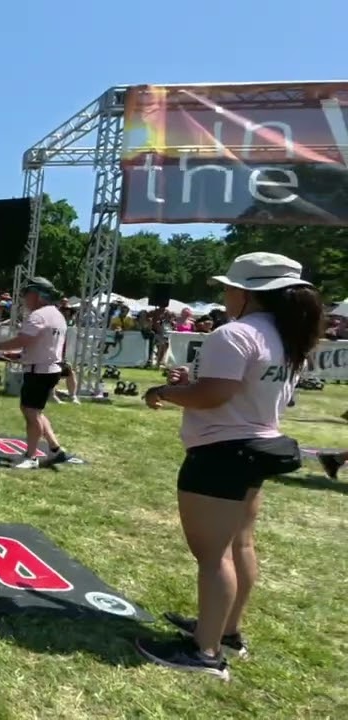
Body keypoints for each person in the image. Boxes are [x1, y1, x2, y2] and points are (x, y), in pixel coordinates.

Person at [136, 252, 322, 680]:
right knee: (240, 545)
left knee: (212, 555)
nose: (225, 292)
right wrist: (194, 387)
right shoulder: (288, 337)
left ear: (246, 292)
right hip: (258, 446)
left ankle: (205, 653)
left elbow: (214, 396)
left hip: (221, 452)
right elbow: (247, 391)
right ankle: (226, 632)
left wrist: (164, 391)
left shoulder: (235, 334)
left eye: (229, 286)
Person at [0, 277, 70, 469]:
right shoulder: (56, 315)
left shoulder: (38, 315)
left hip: (39, 370)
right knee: (35, 411)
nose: (24, 299)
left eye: (27, 295)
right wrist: (16, 355)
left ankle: (31, 457)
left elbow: (24, 340)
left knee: (31, 413)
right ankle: (55, 450)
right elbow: (41, 345)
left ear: (37, 295)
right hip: (48, 369)